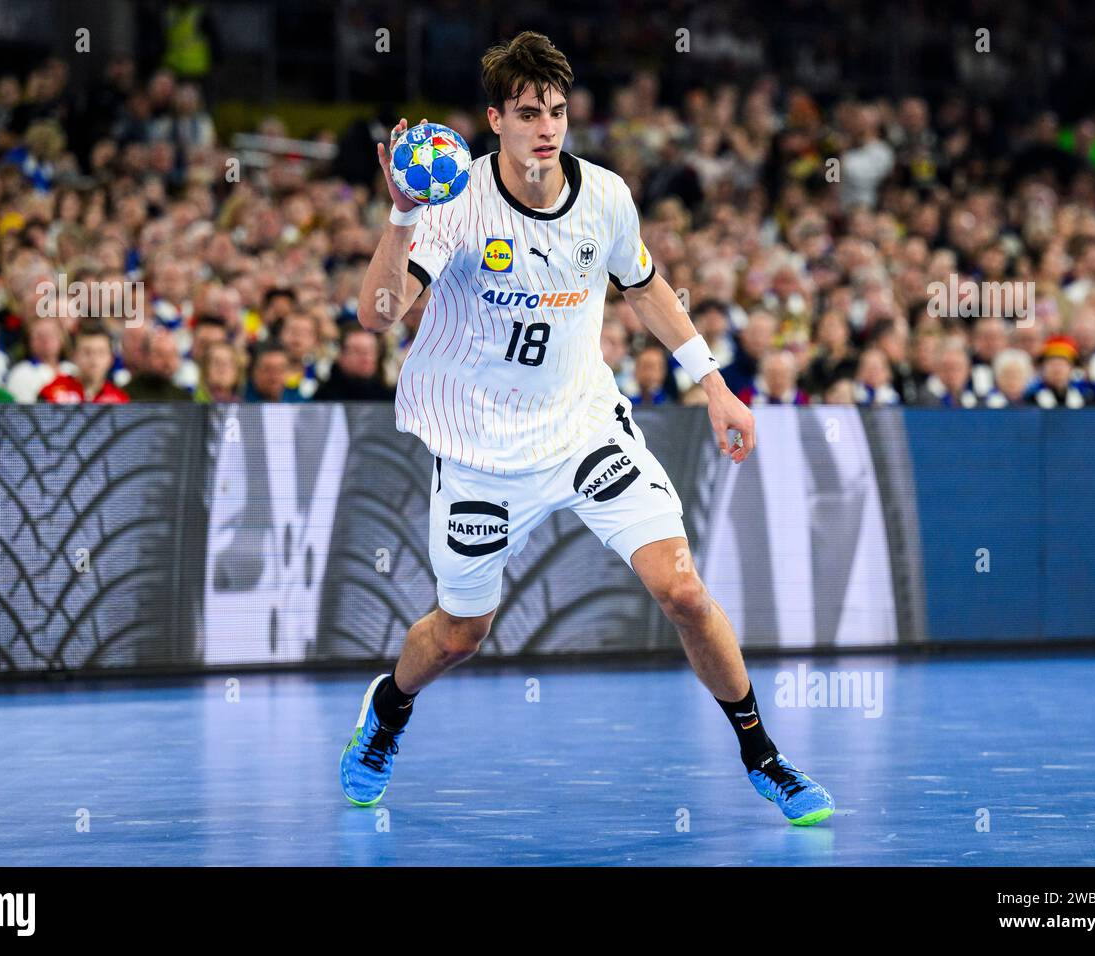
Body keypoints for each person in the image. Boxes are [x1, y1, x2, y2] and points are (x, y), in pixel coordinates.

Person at [343, 32, 833, 826]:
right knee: (462, 633)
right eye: (529, 112)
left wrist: (714, 384)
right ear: (495, 120)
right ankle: (389, 713)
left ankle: (763, 755)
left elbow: (643, 287)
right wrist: (401, 215)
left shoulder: (604, 195)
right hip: (478, 451)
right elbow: (380, 314)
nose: (547, 127)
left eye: (559, 112)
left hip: (582, 429)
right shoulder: (454, 202)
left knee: (682, 589)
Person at [38, 323, 130, 403]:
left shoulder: (120, 400)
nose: (94, 359)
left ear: (111, 358)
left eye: (101, 352)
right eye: (86, 352)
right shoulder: (52, 392)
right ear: (74, 356)